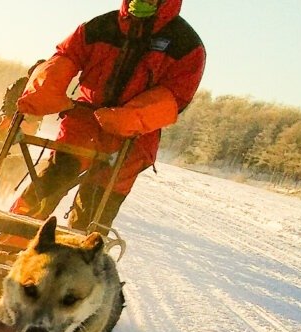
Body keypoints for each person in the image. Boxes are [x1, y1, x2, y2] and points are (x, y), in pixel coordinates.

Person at [11, 0, 206, 231]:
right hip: (84, 122)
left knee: (93, 211)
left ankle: (75, 257)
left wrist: (128, 118)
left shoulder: (186, 45)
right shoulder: (100, 27)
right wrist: (45, 89)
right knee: (50, 181)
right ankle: (7, 239)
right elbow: (66, 55)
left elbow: (176, 96)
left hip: (134, 138)